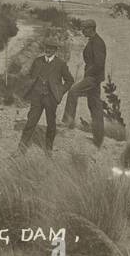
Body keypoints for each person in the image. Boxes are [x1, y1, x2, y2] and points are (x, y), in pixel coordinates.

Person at [18, 32, 74, 155]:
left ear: (55, 50)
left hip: (51, 98)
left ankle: (48, 148)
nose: (48, 50)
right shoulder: (37, 61)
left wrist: (60, 91)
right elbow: (30, 76)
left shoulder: (61, 64)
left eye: (51, 48)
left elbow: (70, 80)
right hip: (37, 97)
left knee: (51, 123)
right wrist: (32, 89)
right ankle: (21, 148)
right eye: (46, 47)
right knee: (31, 121)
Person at [62, 19, 107, 148]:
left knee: (73, 91)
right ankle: (98, 138)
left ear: (91, 28)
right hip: (94, 78)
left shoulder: (97, 43)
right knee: (95, 106)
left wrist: (88, 74)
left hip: (93, 78)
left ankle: (68, 122)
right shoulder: (93, 41)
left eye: (85, 29)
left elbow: (99, 64)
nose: (82, 31)